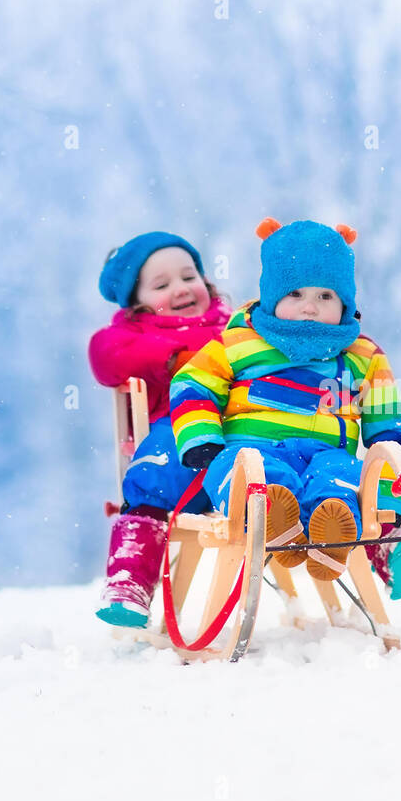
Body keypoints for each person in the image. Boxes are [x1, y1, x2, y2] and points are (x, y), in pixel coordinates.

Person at [169, 217, 401, 583]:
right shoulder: (239, 342)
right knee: (240, 471)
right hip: (251, 450)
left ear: (344, 302)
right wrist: (201, 438)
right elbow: (193, 383)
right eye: (295, 294)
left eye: (325, 296)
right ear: (272, 296)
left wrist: (387, 472)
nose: (309, 308)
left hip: (327, 453)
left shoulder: (362, 355)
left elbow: (387, 420)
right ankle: (270, 512)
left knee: (343, 477)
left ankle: (332, 532)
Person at [88, 231, 231, 627]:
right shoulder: (134, 335)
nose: (181, 289)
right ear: (137, 303)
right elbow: (106, 354)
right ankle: (130, 580)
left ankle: (374, 544)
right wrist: (171, 355)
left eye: (189, 276)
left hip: (242, 434)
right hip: (178, 443)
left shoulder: (235, 327)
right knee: (152, 473)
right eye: (161, 285)